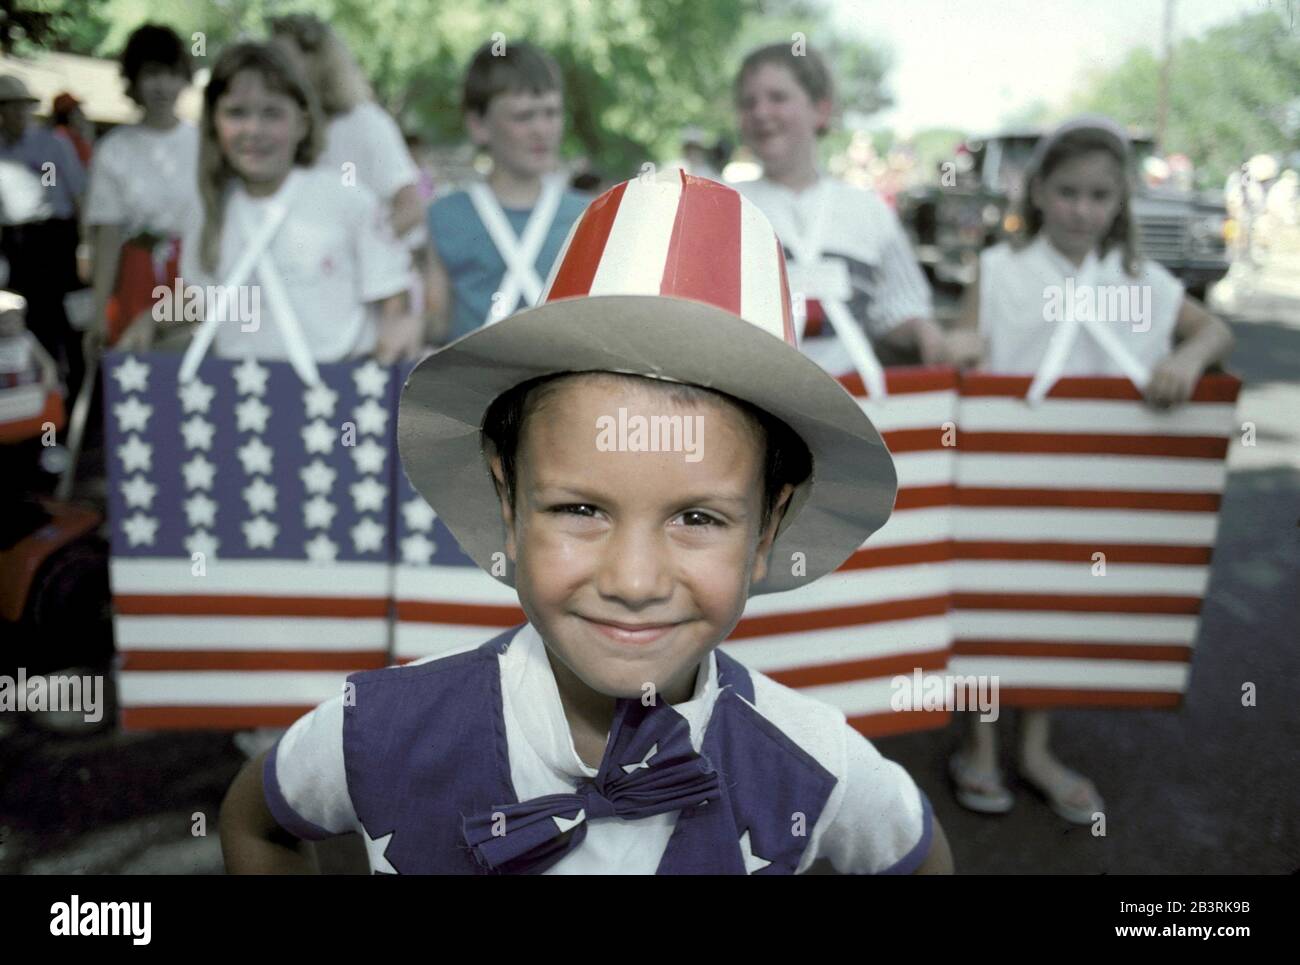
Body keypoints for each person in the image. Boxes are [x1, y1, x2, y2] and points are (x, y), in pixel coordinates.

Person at [218, 170, 954, 875]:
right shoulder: (380, 728)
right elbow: (255, 820)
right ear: (509, 505)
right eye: (580, 508)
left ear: (768, 531)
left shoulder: (815, 762)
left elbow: (918, 855)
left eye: (697, 516)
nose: (633, 579)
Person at [945, 115, 1235, 823]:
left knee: (1055, 606)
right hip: (1006, 470)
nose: (1082, 208)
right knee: (993, 601)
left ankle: (1037, 747)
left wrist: (1187, 359)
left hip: (1093, 479)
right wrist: (953, 347)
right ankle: (979, 744)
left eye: (1100, 196)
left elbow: (1214, 330)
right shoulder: (1001, 269)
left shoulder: (1141, 280)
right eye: (1068, 191)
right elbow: (968, 340)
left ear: (1119, 203)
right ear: (1039, 190)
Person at [121, 41, 417, 364]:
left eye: (272, 113)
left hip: (337, 389)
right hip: (244, 393)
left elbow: (392, 296)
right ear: (214, 123)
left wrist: (396, 339)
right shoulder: (208, 208)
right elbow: (203, 297)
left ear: (302, 122)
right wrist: (151, 319)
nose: (253, 129)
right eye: (236, 113)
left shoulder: (349, 201)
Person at [732, 43, 949, 383]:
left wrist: (924, 332)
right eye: (748, 102)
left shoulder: (868, 210)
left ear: (820, 110)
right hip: (753, 398)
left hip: (850, 399)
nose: (761, 112)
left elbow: (897, 309)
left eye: (777, 97)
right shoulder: (724, 204)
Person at [424, 40, 589, 345]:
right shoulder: (446, 215)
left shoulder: (590, 215)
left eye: (552, 113)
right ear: (478, 125)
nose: (542, 129)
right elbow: (435, 321)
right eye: (523, 116)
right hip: (473, 386)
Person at [84, 24, 199, 348]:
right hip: (136, 277)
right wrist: (97, 315)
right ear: (134, 80)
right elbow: (107, 236)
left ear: (184, 77)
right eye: (151, 74)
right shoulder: (113, 150)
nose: (162, 86)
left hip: (196, 278)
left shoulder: (207, 145)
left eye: (172, 73)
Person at [269, 13, 423, 240]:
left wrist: (365, 250)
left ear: (316, 60)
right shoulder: (281, 129)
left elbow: (411, 207)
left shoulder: (365, 123)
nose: (274, 70)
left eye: (283, 59)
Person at [0, 74, 87, 402]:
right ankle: (39, 391)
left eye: (22, 107)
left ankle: (80, 391)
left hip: (54, 235)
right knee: (27, 316)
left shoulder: (53, 143)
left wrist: (84, 245)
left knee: (64, 314)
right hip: (16, 239)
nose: (17, 114)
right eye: (9, 108)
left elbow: (79, 193)